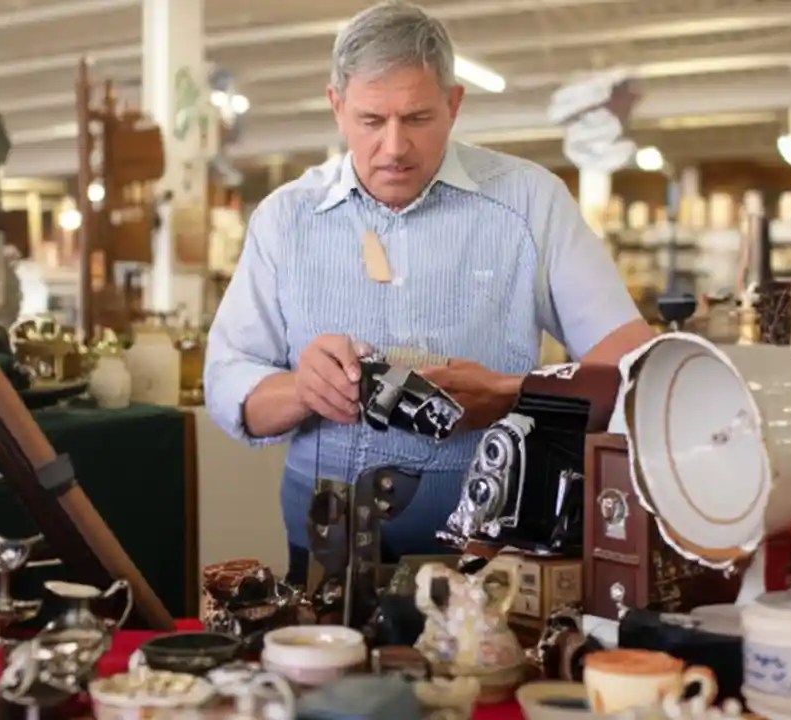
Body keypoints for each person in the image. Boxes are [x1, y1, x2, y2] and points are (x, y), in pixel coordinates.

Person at [205, 0, 653, 583]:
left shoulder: (529, 204)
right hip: (327, 553)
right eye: (371, 121)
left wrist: (513, 394)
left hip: (490, 559)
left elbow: (634, 362)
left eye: (417, 118)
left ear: (454, 103)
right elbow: (227, 379)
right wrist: (301, 389)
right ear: (336, 106)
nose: (394, 147)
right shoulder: (285, 220)